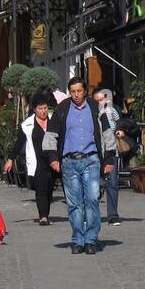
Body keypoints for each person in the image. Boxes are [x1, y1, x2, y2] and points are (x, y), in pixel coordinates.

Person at [42, 77, 113, 255]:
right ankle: (77, 240)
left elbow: (107, 133)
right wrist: (53, 157)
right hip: (69, 161)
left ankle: (91, 239)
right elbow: (51, 134)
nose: (76, 95)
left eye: (79, 91)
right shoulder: (62, 109)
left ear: (85, 91)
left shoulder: (95, 107)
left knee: (91, 200)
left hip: (91, 160)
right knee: (74, 204)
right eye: (72, 91)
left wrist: (110, 158)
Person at [4, 90, 56, 225]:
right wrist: (10, 159)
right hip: (37, 160)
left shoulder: (54, 119)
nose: (43, 111)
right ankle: (43, 216)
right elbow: (19, 143)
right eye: (40, 109)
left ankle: (46, 212)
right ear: (34, 109)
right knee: (41, 188)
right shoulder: (27, 124)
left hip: (53, 159)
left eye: (45, 108)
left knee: (49, 187)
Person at [94, 88, 124, 226]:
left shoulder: (112, 111)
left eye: (101, 100)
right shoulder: (92, 113)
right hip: (95, 152)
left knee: (112, 183)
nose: (99, 102)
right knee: (94, 185)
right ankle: (91, 214)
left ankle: (112, 215)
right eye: (97, 100)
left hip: (111, 151)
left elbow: (121, 122)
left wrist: (120, 131)